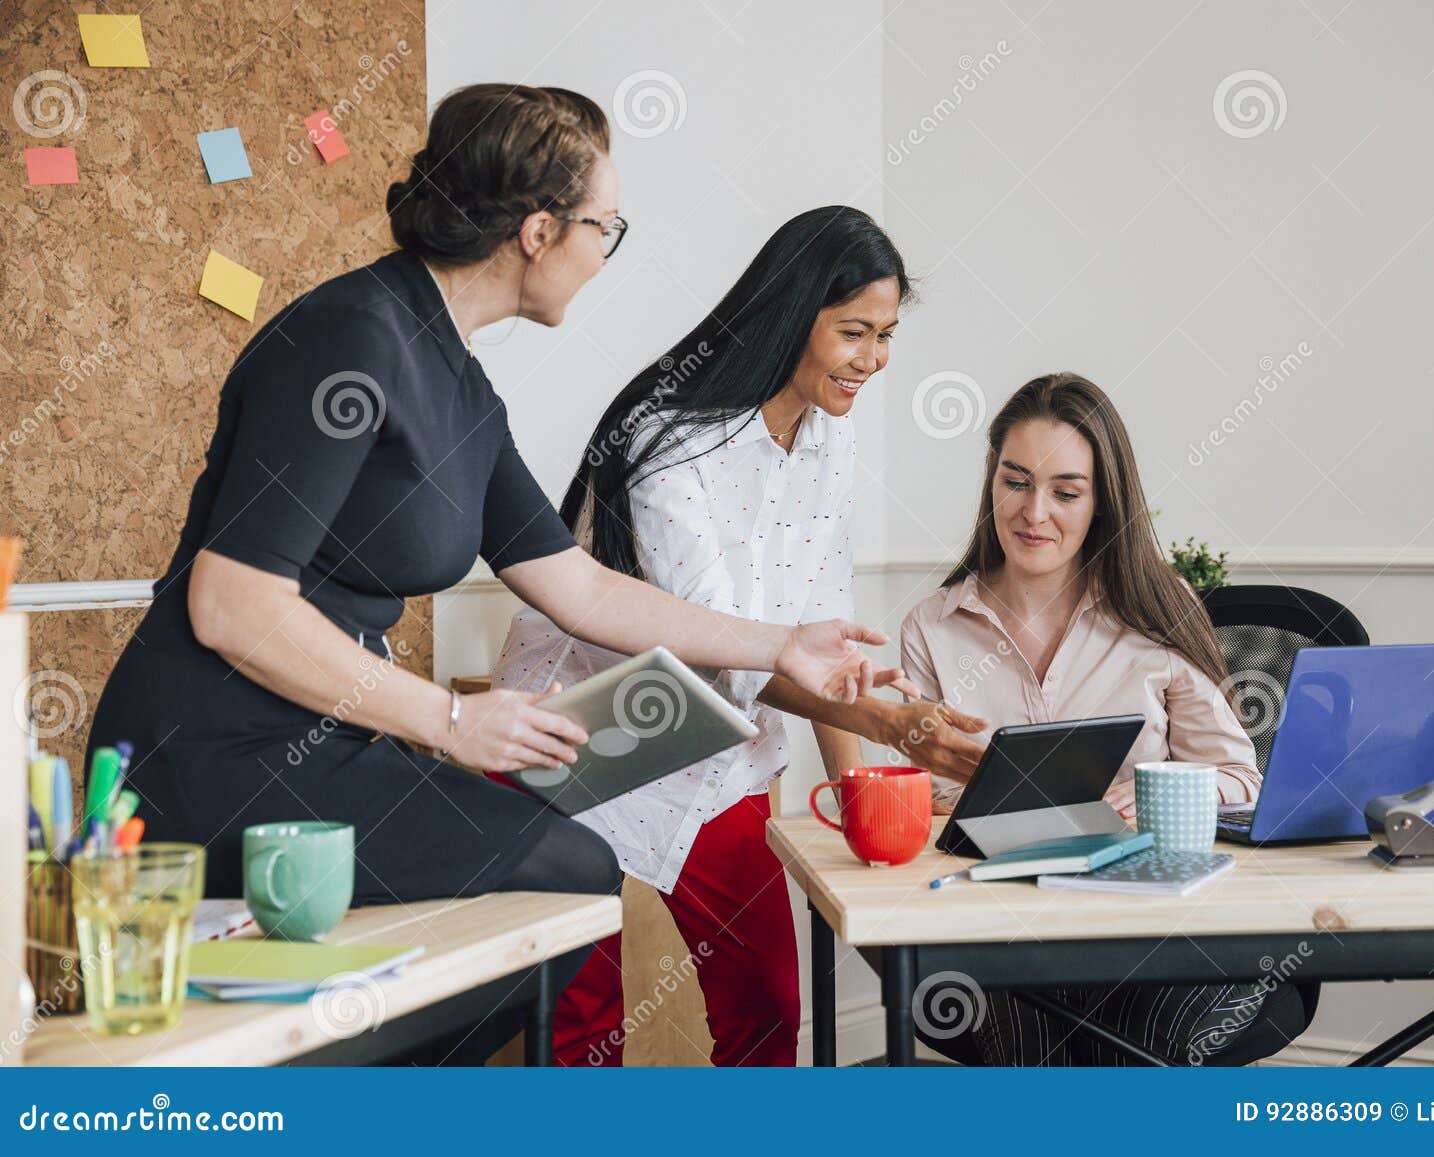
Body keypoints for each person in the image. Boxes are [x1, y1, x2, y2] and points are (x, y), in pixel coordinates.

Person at [85, 85, 901, 1063]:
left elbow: (579, 585)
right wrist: (449, 719)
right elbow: (230, 602)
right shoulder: (355, 337)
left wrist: (783, 644)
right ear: (538, 229)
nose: (605, 252)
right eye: (605, 226)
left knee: (557, 879)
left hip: (323, 735)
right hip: (214, 746)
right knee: (561, 868)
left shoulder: (462, 382)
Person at [492, 206, 987, 1067]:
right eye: (854, 332)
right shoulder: (668, 440)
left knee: (767, 1006)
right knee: (581, 1022)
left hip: (719, 756)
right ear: (795, 315)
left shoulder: (832, 440)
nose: (874, 359)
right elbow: (721, 646)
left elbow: (823, 640)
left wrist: (863, 807)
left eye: (887, 334)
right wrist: (892, 728)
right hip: (586, 748)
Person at [897, 372, 1271, 1066]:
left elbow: (1239, 779)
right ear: (991, 482)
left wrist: (1162, 790)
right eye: (1015, 482)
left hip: (1152, 925)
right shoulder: (934, 626)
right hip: (1001, 925)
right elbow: (923, 803)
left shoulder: (1158, 608)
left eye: (1066, 491)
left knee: (1124, 1027)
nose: (1034, 512)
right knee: (1034, 1009)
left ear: (1101, 502)